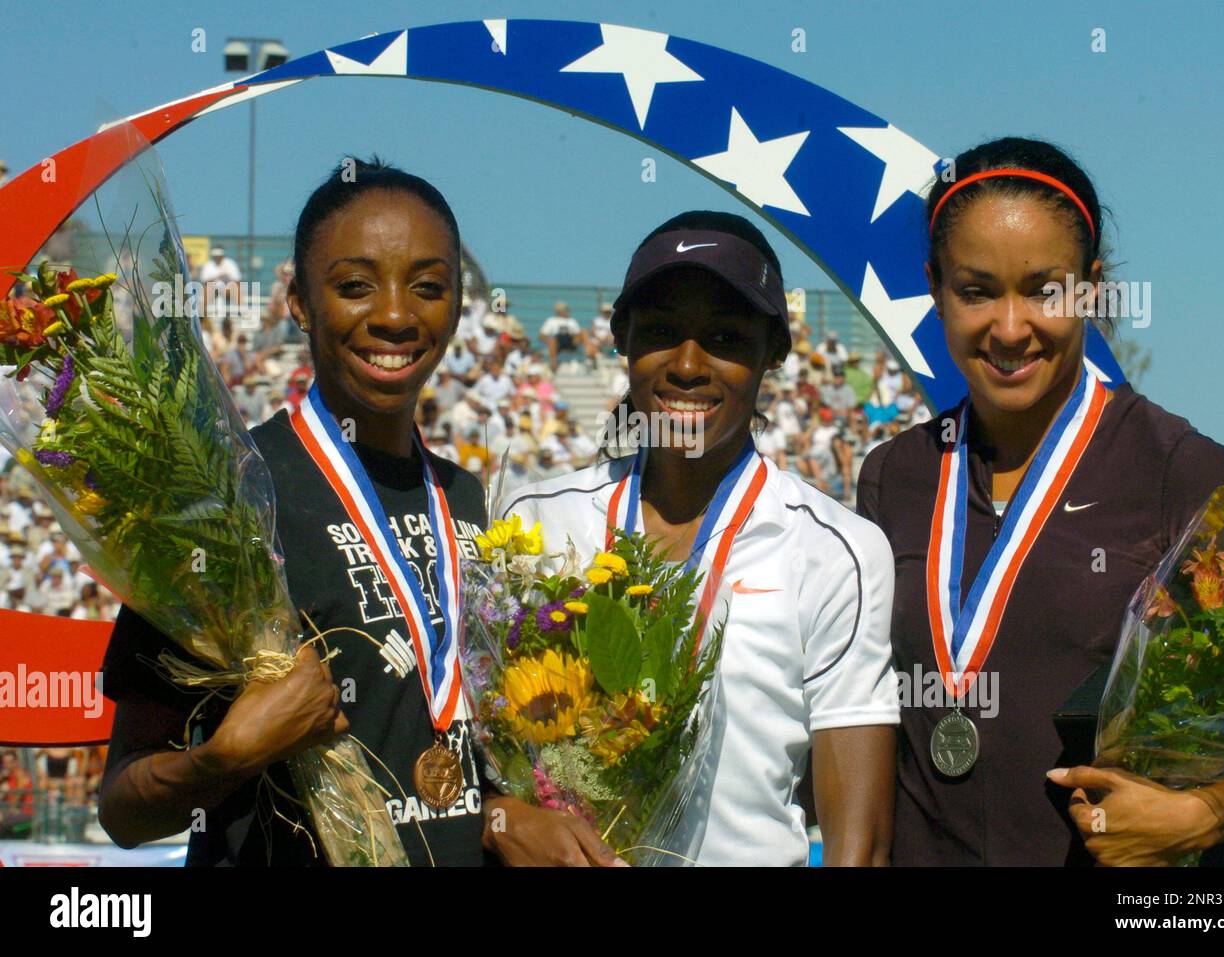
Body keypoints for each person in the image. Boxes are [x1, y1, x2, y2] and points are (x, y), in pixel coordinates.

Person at [97, 158, 603, 867]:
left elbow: (446, 742)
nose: (395, 314)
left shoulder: (469, 501)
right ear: (299, 301)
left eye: (427, 286)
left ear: (458, 303)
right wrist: (222, 759)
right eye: (355, 285)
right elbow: (121, 806)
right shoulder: (221, 499)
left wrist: (498, 814)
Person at [856, 136, 1224, 866]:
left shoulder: (1186, 474)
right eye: (976, 290)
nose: (1010, 328)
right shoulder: (893, 476)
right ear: (934, 286)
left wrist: (1205, 815)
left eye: (1045, 290)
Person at [502, 211, 899, 866]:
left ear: (775, 352)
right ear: (619, 339)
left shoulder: (838, 550)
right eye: (660, 332)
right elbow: (483, 777)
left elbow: (859, 844)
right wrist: (506, 819)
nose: (687, 365)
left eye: (724, 337)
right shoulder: (537, 518)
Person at [539, 301, 585, 372]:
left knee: (584, 331)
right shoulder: (551, 321)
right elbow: (542, 335)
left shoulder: (572, 321)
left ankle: (591, 353)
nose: (567, 312)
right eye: (565, 310)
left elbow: (578, 333)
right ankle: (553, 363)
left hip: (570, 340)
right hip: (557, 341)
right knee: (552, 341)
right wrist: (549, 341)